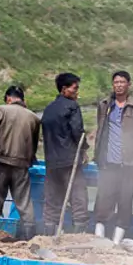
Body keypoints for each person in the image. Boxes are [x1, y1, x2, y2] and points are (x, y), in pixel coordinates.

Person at [94, 69, 133, 243]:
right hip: (108, 162)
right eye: (116, 82)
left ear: (129, 84)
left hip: (129, 163)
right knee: (103, 198)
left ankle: (116, 242)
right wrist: (97, 155)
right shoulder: (104, 105)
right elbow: (100, 131)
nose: (119, 86)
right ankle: (99, 239)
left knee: (125, 201)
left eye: (122, 82)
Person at [0, 85, 40, 241]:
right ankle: (30, 239)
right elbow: (33, 143)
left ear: (8, 98)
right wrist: (30, 158)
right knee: (24, 202)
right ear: (23, 100)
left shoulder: (3, 109)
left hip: (0, 162)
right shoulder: (33, 117)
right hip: (21, 165)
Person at [40, 72, 90, 235]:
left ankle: (48, 234)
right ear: (64, 89)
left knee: (52, 200)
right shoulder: (72, 106)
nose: (77, 92)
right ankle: (78, 234)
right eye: (74, 89)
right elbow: (78, 132)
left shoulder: (48, 109)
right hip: (69, 160)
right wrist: (83, 150)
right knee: (78, 197)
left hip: (51, 161)